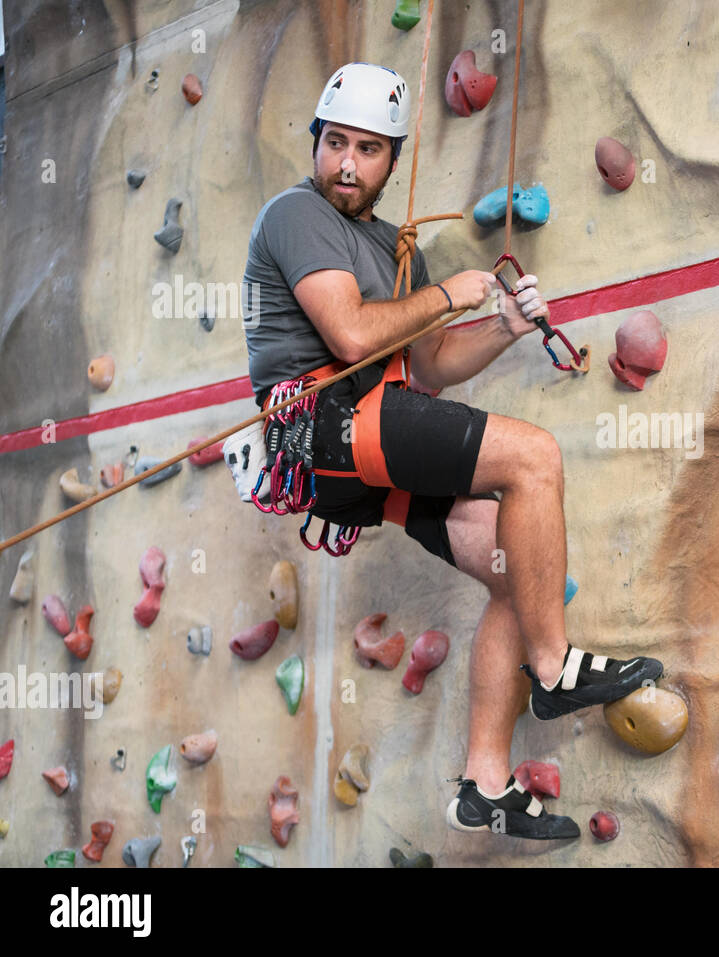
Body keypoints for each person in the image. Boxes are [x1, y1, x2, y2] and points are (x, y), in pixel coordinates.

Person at [241, 62, 662, 839]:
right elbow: (355, 335)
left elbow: (428, 365)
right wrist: (447, 294)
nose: (346, 164)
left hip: (364, 431)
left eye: (369, 150)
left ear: (392, 161)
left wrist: (500, 321)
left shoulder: (391, 250)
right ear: (317, 142)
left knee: (513, 566)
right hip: (320, 423)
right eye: (336, 143)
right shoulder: (295, 215)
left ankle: (486, 784)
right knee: (533, 456)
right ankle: (556, 665)